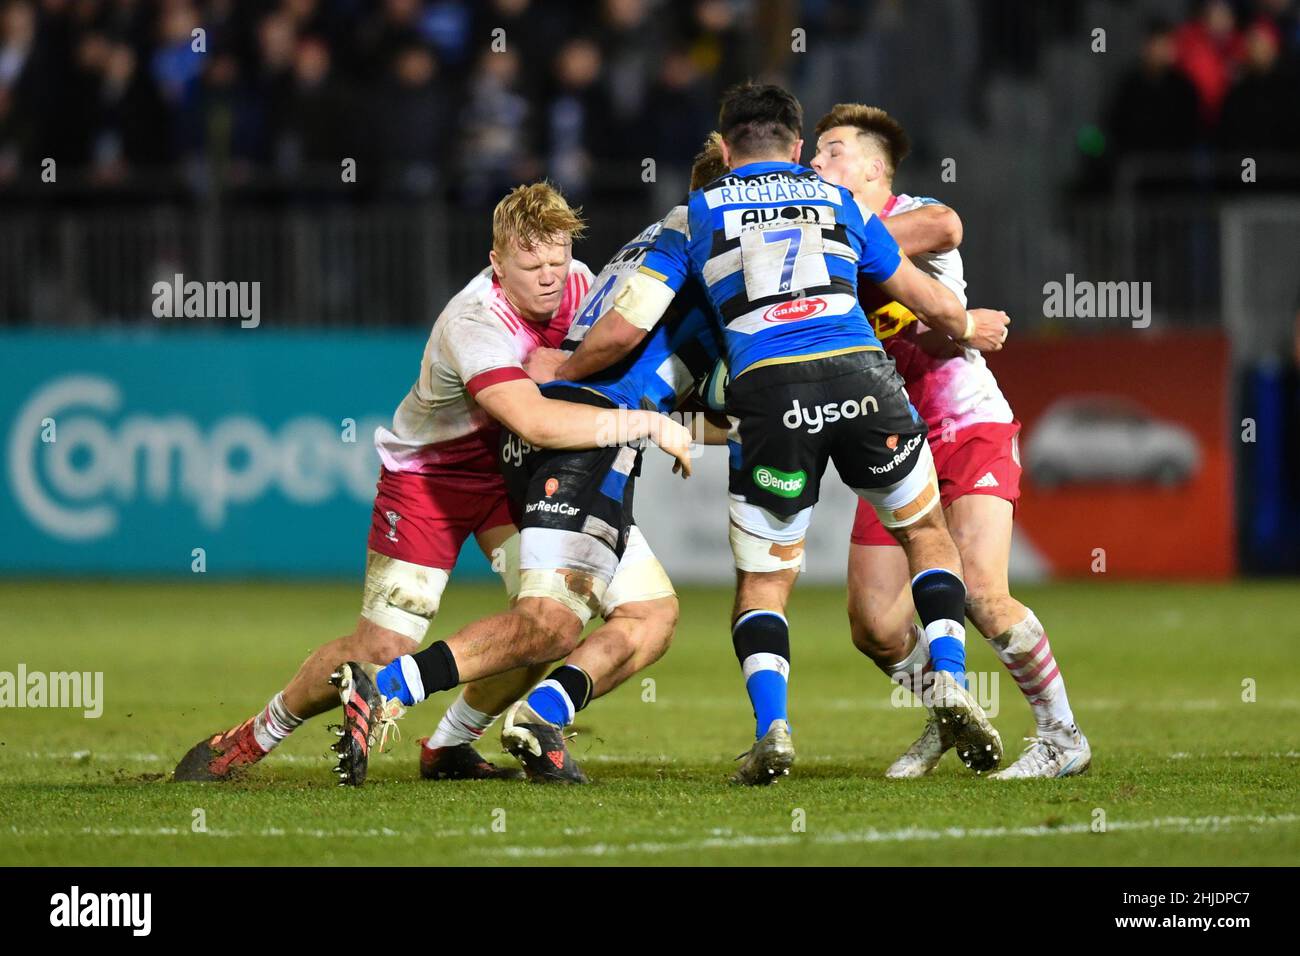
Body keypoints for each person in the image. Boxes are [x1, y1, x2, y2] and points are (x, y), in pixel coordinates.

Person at [531, 83, 1012, 783]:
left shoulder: (696, 215)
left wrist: (566, 366)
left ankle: (773, 730)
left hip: (770, 392)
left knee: (764, 582)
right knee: (925, 534)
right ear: (796, 150)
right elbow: (916, 290)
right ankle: (950, 679)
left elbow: (631, 325)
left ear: (725, 151)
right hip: (861, 377)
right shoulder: (839, 201)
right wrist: (968, 325)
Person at [173, 181, 691, 785]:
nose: (551, 277)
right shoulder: (475, 322)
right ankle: (253, 737)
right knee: (381, 650)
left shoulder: (580, 282)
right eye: (531, 266)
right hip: (431, 481)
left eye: (558, 259)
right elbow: (536, 420)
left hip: (516, 473)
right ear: (497, 265)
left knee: (547, 622)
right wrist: (647, 423)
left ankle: (448, 746)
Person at [811, 103, 1090, 778]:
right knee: (874, 626)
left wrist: (840, 240)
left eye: (831, 152)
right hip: (890, 438)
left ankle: (1062, 737)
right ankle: (951, 709)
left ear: (874, 167)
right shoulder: (817, 239)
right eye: (812, 155)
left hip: (965, 422)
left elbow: (946, 224)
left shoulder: (913, 212)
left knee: (981, 594)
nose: (814, 164)